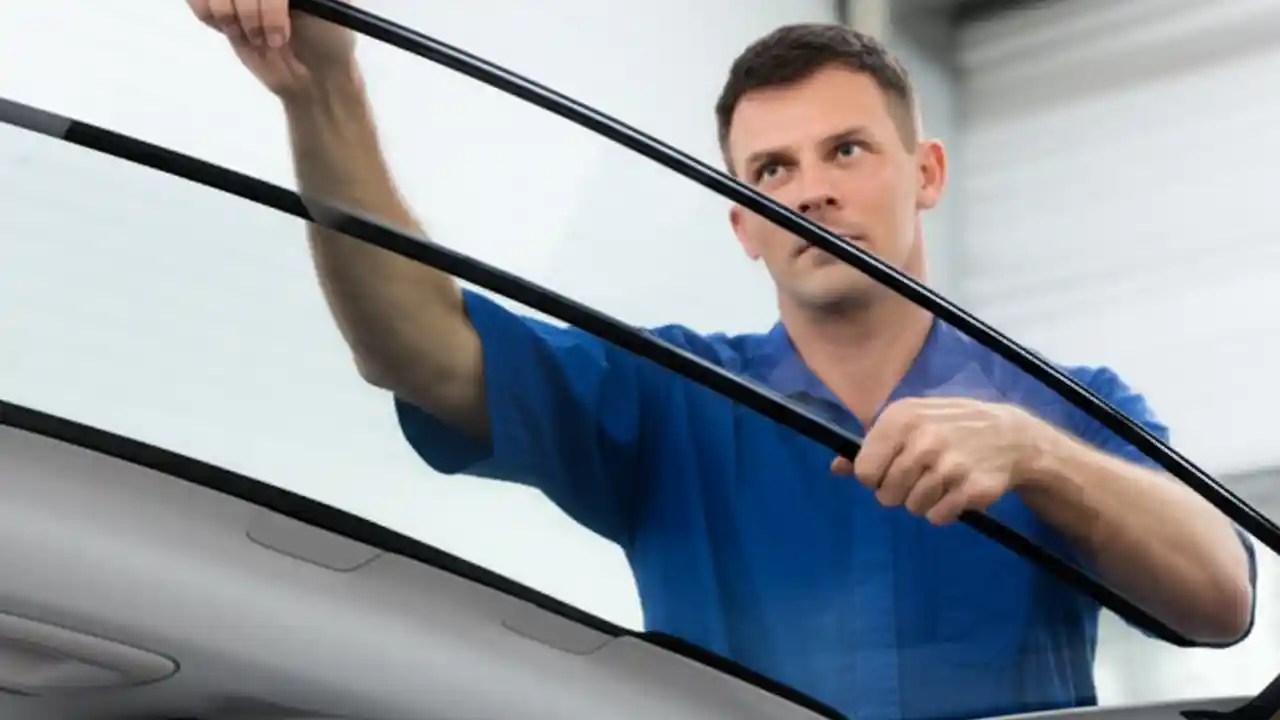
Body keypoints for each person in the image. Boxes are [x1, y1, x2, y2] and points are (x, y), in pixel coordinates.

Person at [189, 2, 1256, 719]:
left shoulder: (1061, 409)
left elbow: (1220, 602)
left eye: (845, 150)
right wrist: (318, 91)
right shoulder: (670, 400)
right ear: (740, 224)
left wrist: (1037, 456)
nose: (808, 192)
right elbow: (419, 349)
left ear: (922, 172)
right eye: (769, 171)